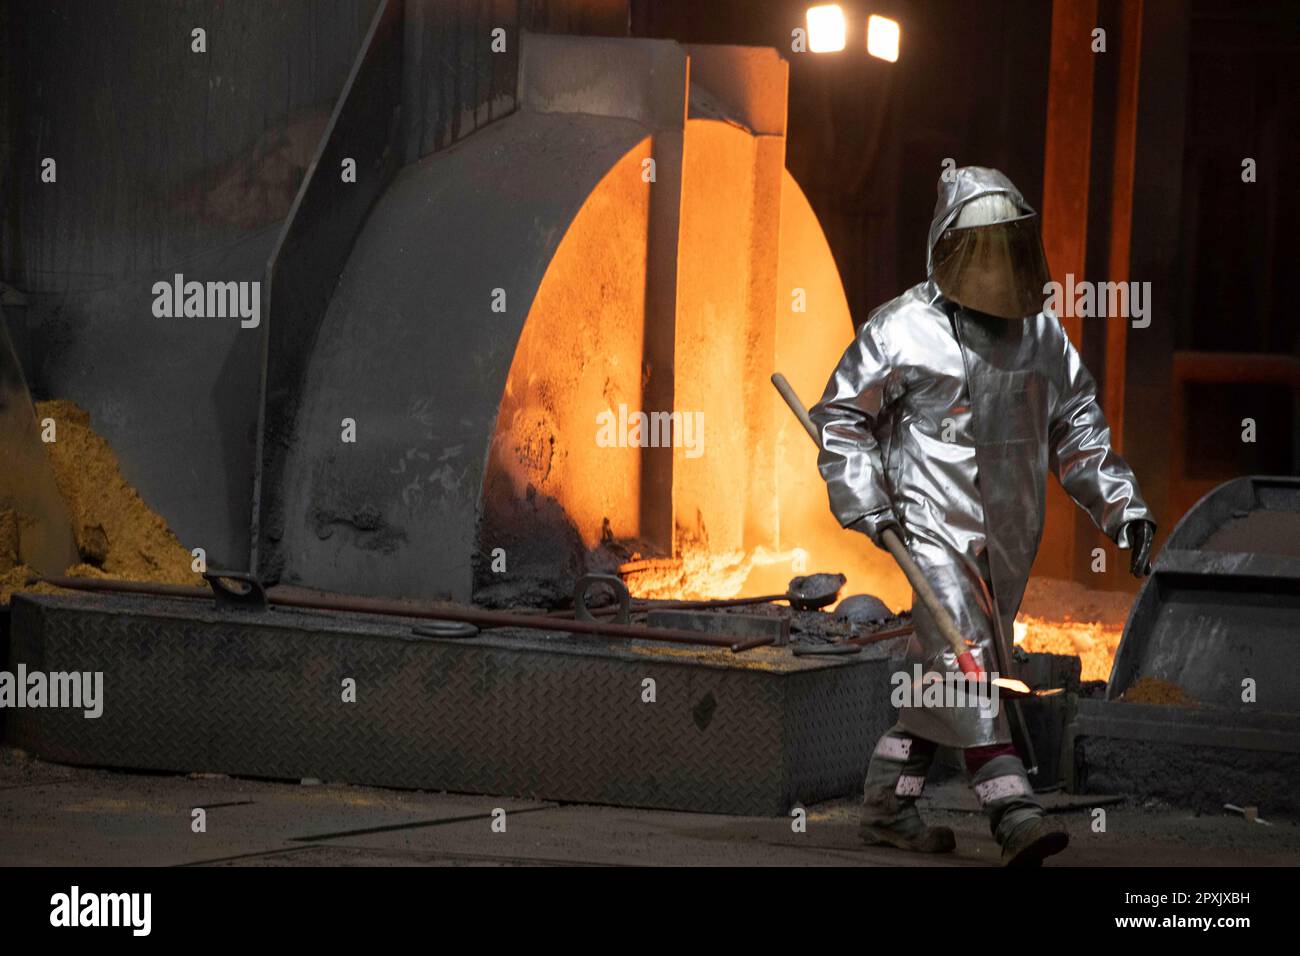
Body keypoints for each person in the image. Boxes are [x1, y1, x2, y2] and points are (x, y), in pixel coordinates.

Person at [809, 166, 1156, 866]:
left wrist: (1124, 510)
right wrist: (869, 504)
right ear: (951, 247)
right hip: (930, 528)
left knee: (941, 674)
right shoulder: (903, 328)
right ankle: (1013, 811)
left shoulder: (1041, 338)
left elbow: (1078, 429)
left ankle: (888, 803)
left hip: (1009, 535)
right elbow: (842, 418)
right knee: (967, 663)